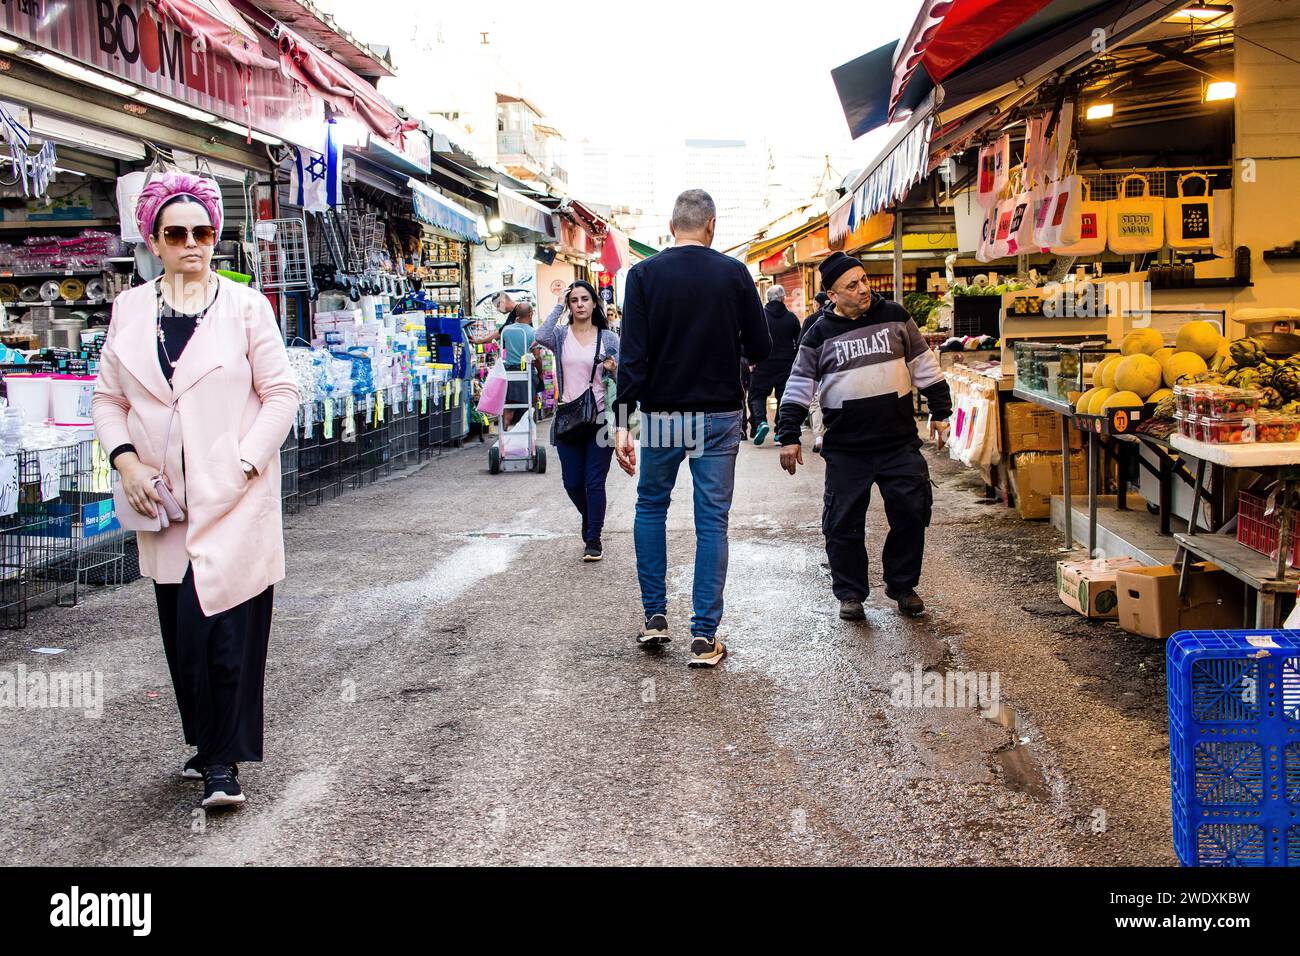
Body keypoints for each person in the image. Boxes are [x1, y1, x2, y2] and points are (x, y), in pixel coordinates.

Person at [91, 173, 298, 809]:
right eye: (176, 233)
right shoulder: (130, 310)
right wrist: (125, 462)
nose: (192, 244)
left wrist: (242, 462)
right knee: (184, 637)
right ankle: (204, 742)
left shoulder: (246, 307)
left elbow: (281, 393)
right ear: (153, 240)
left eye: (203, 232)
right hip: (165, 502)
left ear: (217, 237)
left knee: (229, 635)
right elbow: (108, 399)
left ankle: (222, 765)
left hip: (233, 497)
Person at [615, 189, 770, 668]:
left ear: (671, 226)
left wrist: (622, 423)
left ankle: (655, 617)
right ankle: (704, 637)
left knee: (651, 507)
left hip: (661, 415)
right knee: (711, 522)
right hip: (719, 415)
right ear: (712, 226)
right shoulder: (733, 273)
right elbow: (762, 345)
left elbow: (632, 355)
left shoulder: (643, 275)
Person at [775, 251, 951, 622]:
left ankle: (902, 585)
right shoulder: (818, 334)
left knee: (912, 510)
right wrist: (788, 433)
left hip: (898, 442)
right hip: (847, 448)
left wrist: (940, 410)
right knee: (843, 522)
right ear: (833, 295)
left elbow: (923, 363)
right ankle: (851, 592)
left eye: (864, 280)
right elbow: (798, 386)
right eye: (851, 285)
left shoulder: (895, 317)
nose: (863, 289)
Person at [535, 280, 619, 561]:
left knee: (594, 482)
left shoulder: (608, 338)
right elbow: (541, 334)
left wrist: (614, 368)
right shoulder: (560, 335)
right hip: (569, 419)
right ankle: (590, 517)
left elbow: (623, 377)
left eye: (585, 299)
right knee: (572, 482)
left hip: (600, 421)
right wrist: (558, 303)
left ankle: (593, 539)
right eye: (575, 300)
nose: (580, 304)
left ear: (595, 303)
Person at [471, 301, 539, 429]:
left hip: (508, 373)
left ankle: (504, 434)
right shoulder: (532, 332)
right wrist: (539, 372)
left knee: (508, 408)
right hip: (526, 373)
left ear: (516, 314)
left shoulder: (506, 330)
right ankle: (530, 437)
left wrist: (478, 341)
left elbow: (497, 339)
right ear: (530, 314)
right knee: (530, 405)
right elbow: (537, 355)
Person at [749, 285, 801, 445]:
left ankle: (761, 422)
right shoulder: (791, 318)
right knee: (783, 398)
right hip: (785, 364)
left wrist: (751, 360)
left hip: (763, 363)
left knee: (757, 395)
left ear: (768, 298)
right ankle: (780, 432)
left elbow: (751, 339)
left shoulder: (760, 317)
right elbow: (799, 342)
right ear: (783, 298)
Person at [802, 291, 830, 453]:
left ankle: (819, 436)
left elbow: (801, 344)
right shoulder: (840, 316)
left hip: (815, 365)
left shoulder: (811, 320)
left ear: (818, 304)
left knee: (816, 401)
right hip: (835, 365)